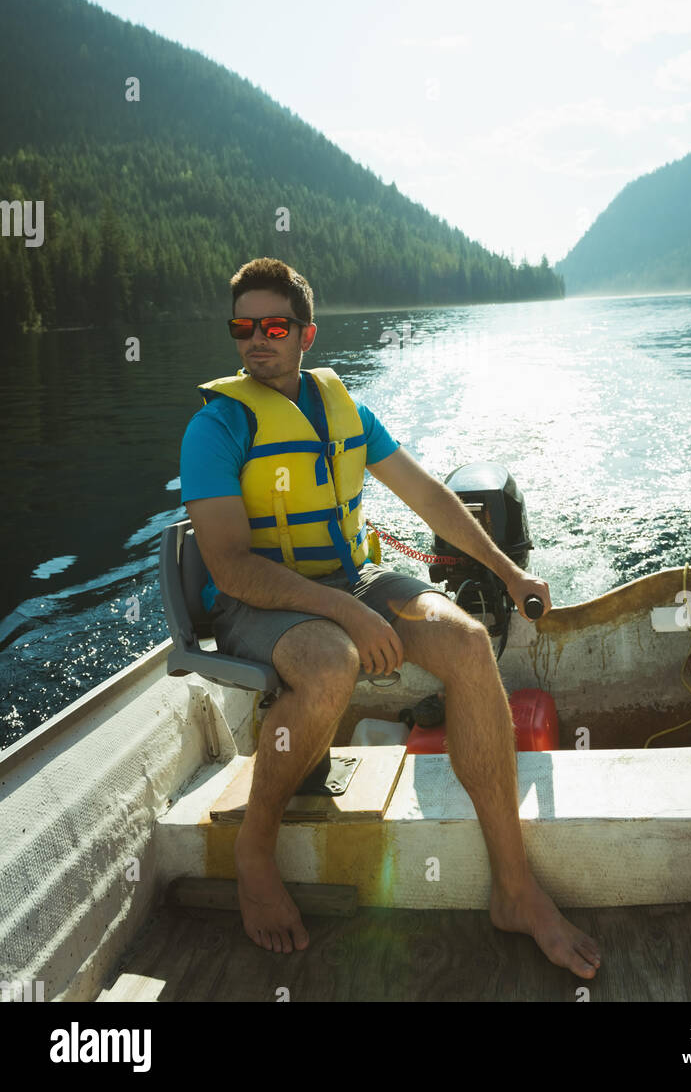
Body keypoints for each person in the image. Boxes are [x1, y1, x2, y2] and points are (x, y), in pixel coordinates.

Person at [180, 256, 601, 979]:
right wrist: (344, 611)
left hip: (350, 579)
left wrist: (508, 570)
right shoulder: (215, 429)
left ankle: (513, 887)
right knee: (330, 659)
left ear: (305, 333)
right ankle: (255, 853)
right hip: (257, 600)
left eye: (273, 325)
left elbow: (431, 498)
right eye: (242, 326)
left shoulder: (345, 410)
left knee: (468, 644)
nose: (256, 340)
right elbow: (228, 565)